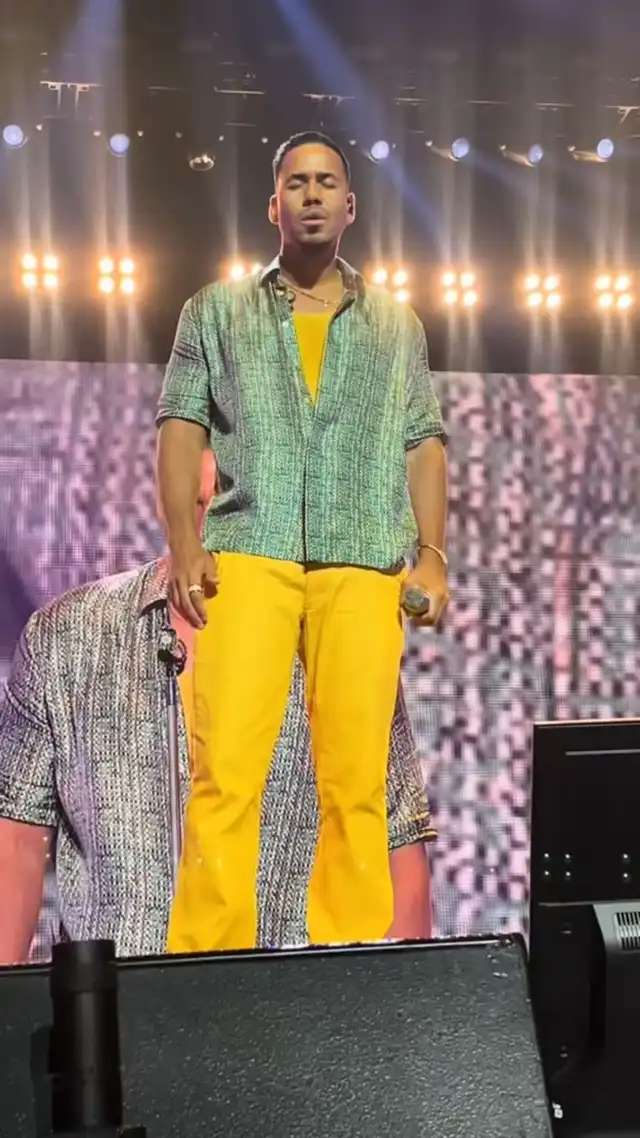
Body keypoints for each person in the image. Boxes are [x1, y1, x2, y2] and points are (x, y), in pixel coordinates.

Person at [157, 130, 448, 954]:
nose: (312, 194)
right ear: (273, 205)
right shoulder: (214, 311)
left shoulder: (396, 325)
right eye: (296, 182)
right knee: (225, 771)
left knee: (355, 779)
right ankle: (208, 962)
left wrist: (433, 555)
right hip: (250, 549)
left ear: (350, 206)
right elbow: (179, 424)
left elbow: (423, 440)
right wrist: (183, 541)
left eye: (326, 183)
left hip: (362, 557)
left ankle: (347, 958)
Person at [0, 450, 436, 966]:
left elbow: (397, 848)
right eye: (199, 502)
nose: (213, 528)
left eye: (232, 503)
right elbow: (16, 841)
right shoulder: (68, 637)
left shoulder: (342, 641)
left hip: (289, 1005)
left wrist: (397, 1010)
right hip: (115, 1008)